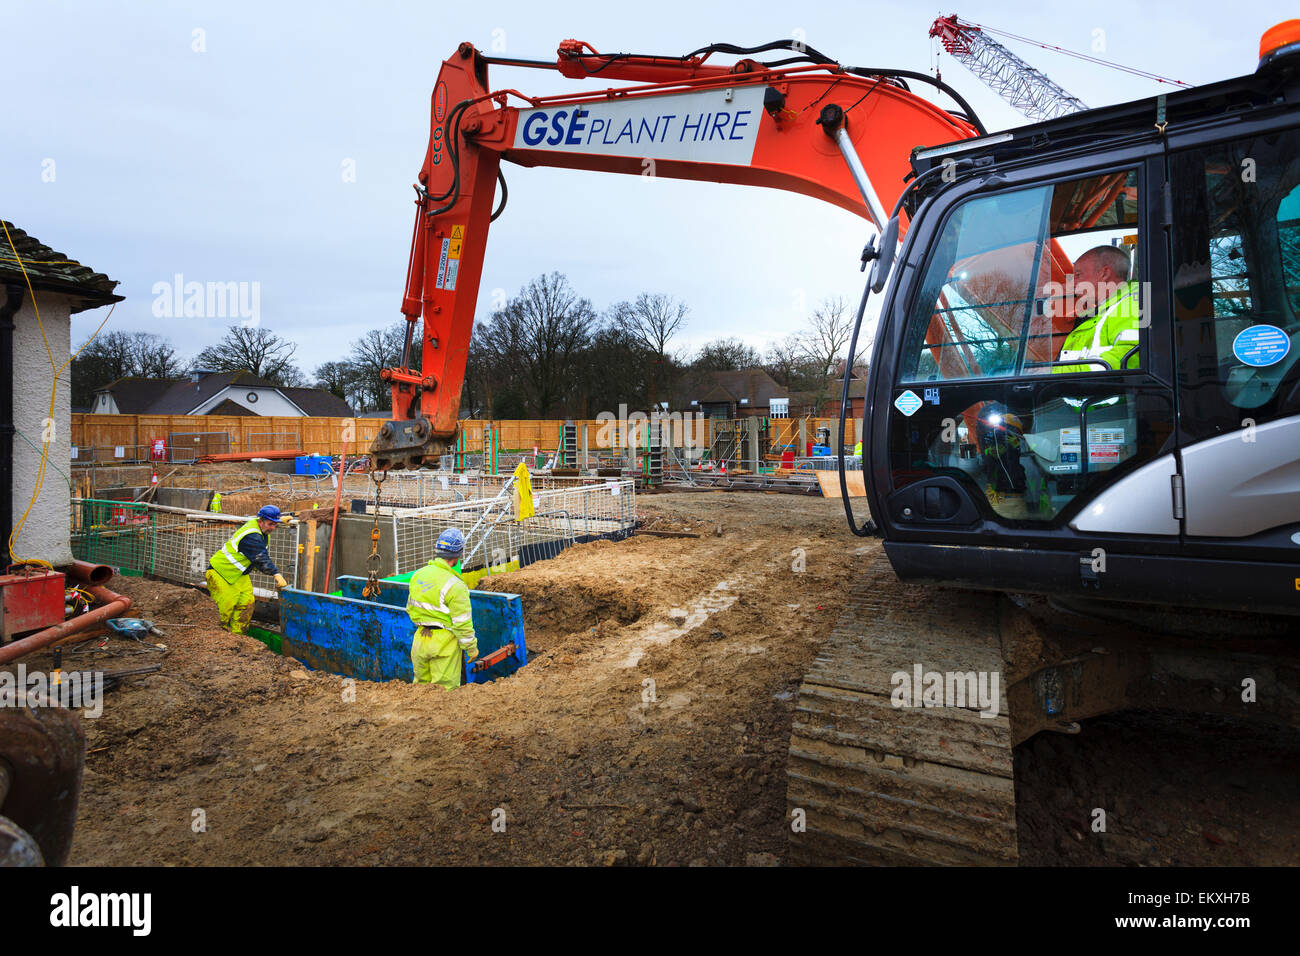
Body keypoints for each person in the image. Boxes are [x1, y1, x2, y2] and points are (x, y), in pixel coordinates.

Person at [406, 527, 478, 690]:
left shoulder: (419, 575)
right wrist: (471, 649)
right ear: (458, 556)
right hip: (444, 643)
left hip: (420, 639)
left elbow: (410, 608)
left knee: (420, 689)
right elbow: (462, 624)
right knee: (444, 692)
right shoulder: (456, 585)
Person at [1055, 245, 1141, 374]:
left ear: (1104, 273)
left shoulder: (1132, 306)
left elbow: (1123, 361)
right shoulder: (1102, 312)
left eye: (1078, 275)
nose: (1073, 284)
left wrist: (1051, 374)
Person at [205, 505, 288, 634]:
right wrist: (276, 574)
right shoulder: (251, 536)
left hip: (238, 574)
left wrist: (281, 520)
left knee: (247, 604)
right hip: (221, 572)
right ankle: (216, 638)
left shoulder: (259, 524)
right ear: (260, 521)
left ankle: (237, 638)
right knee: (225, 606)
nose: (273, 528)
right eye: (271, 524)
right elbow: (261, 558)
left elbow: (269, 522)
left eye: (275, 524)